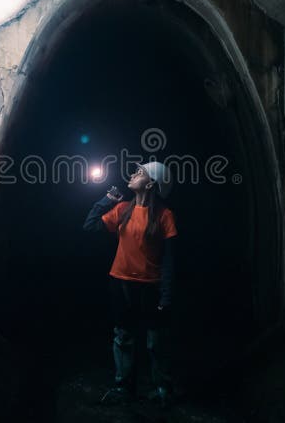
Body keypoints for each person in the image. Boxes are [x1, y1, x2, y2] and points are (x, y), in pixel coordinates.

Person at [82, 161, 178, 406]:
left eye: (140, 172)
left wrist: (166, 295)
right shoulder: (123, 208)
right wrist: (106, 200)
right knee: (123, 336)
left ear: (151, 184)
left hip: (150, 286)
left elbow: (169, 259)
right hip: (121, 282)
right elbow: (90, 225)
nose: (134, 174)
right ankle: (124, 387)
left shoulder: (165, 216)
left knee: (156, 340)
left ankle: (163, 389)